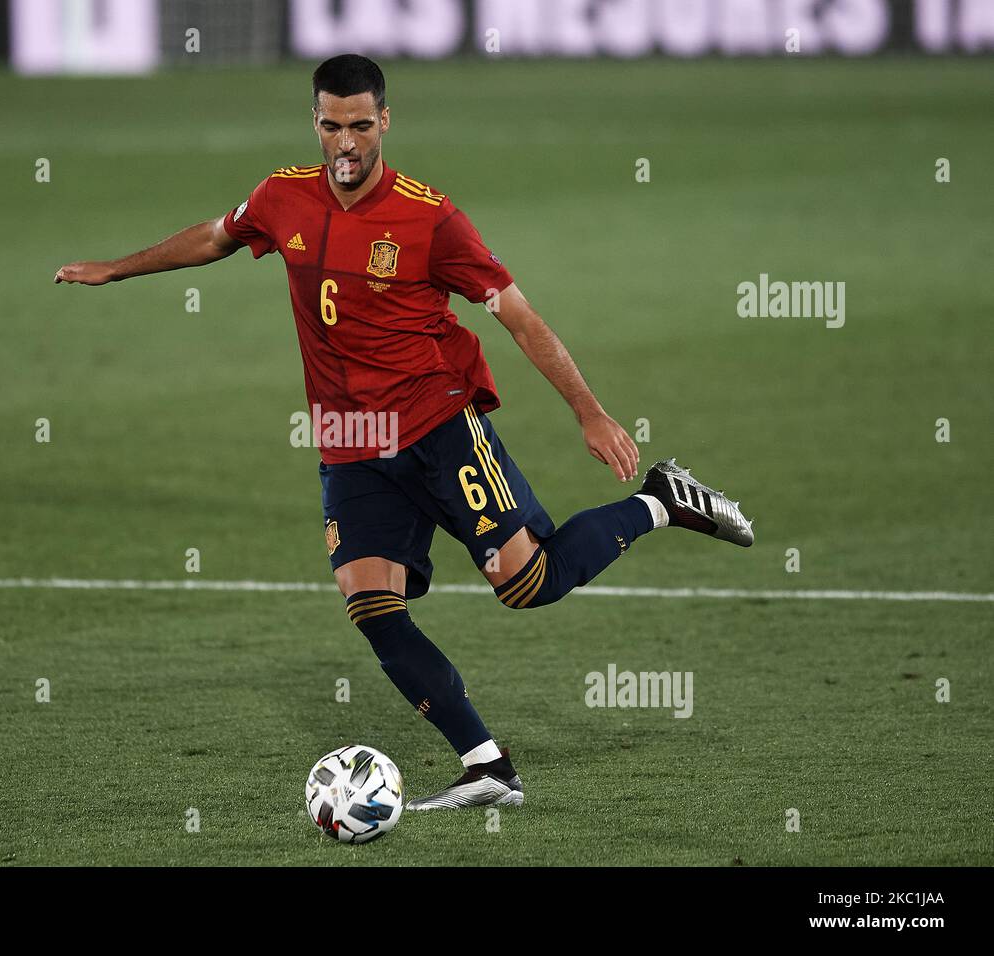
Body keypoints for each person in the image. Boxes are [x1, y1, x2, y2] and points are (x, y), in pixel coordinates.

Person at [55, 54, 753, 812]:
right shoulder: (281, 196)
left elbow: (517, 314)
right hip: (349, 443)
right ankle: (488, 766)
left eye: (360, 125)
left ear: (385, 120)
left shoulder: (430, 218)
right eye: (331, 125)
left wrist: (589, 410)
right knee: (372, 606)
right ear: (314, 123)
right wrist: (117, 270)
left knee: (525, 585)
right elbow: (217, 237)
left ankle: (660, 501)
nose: (346, 142)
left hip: (435, 425)